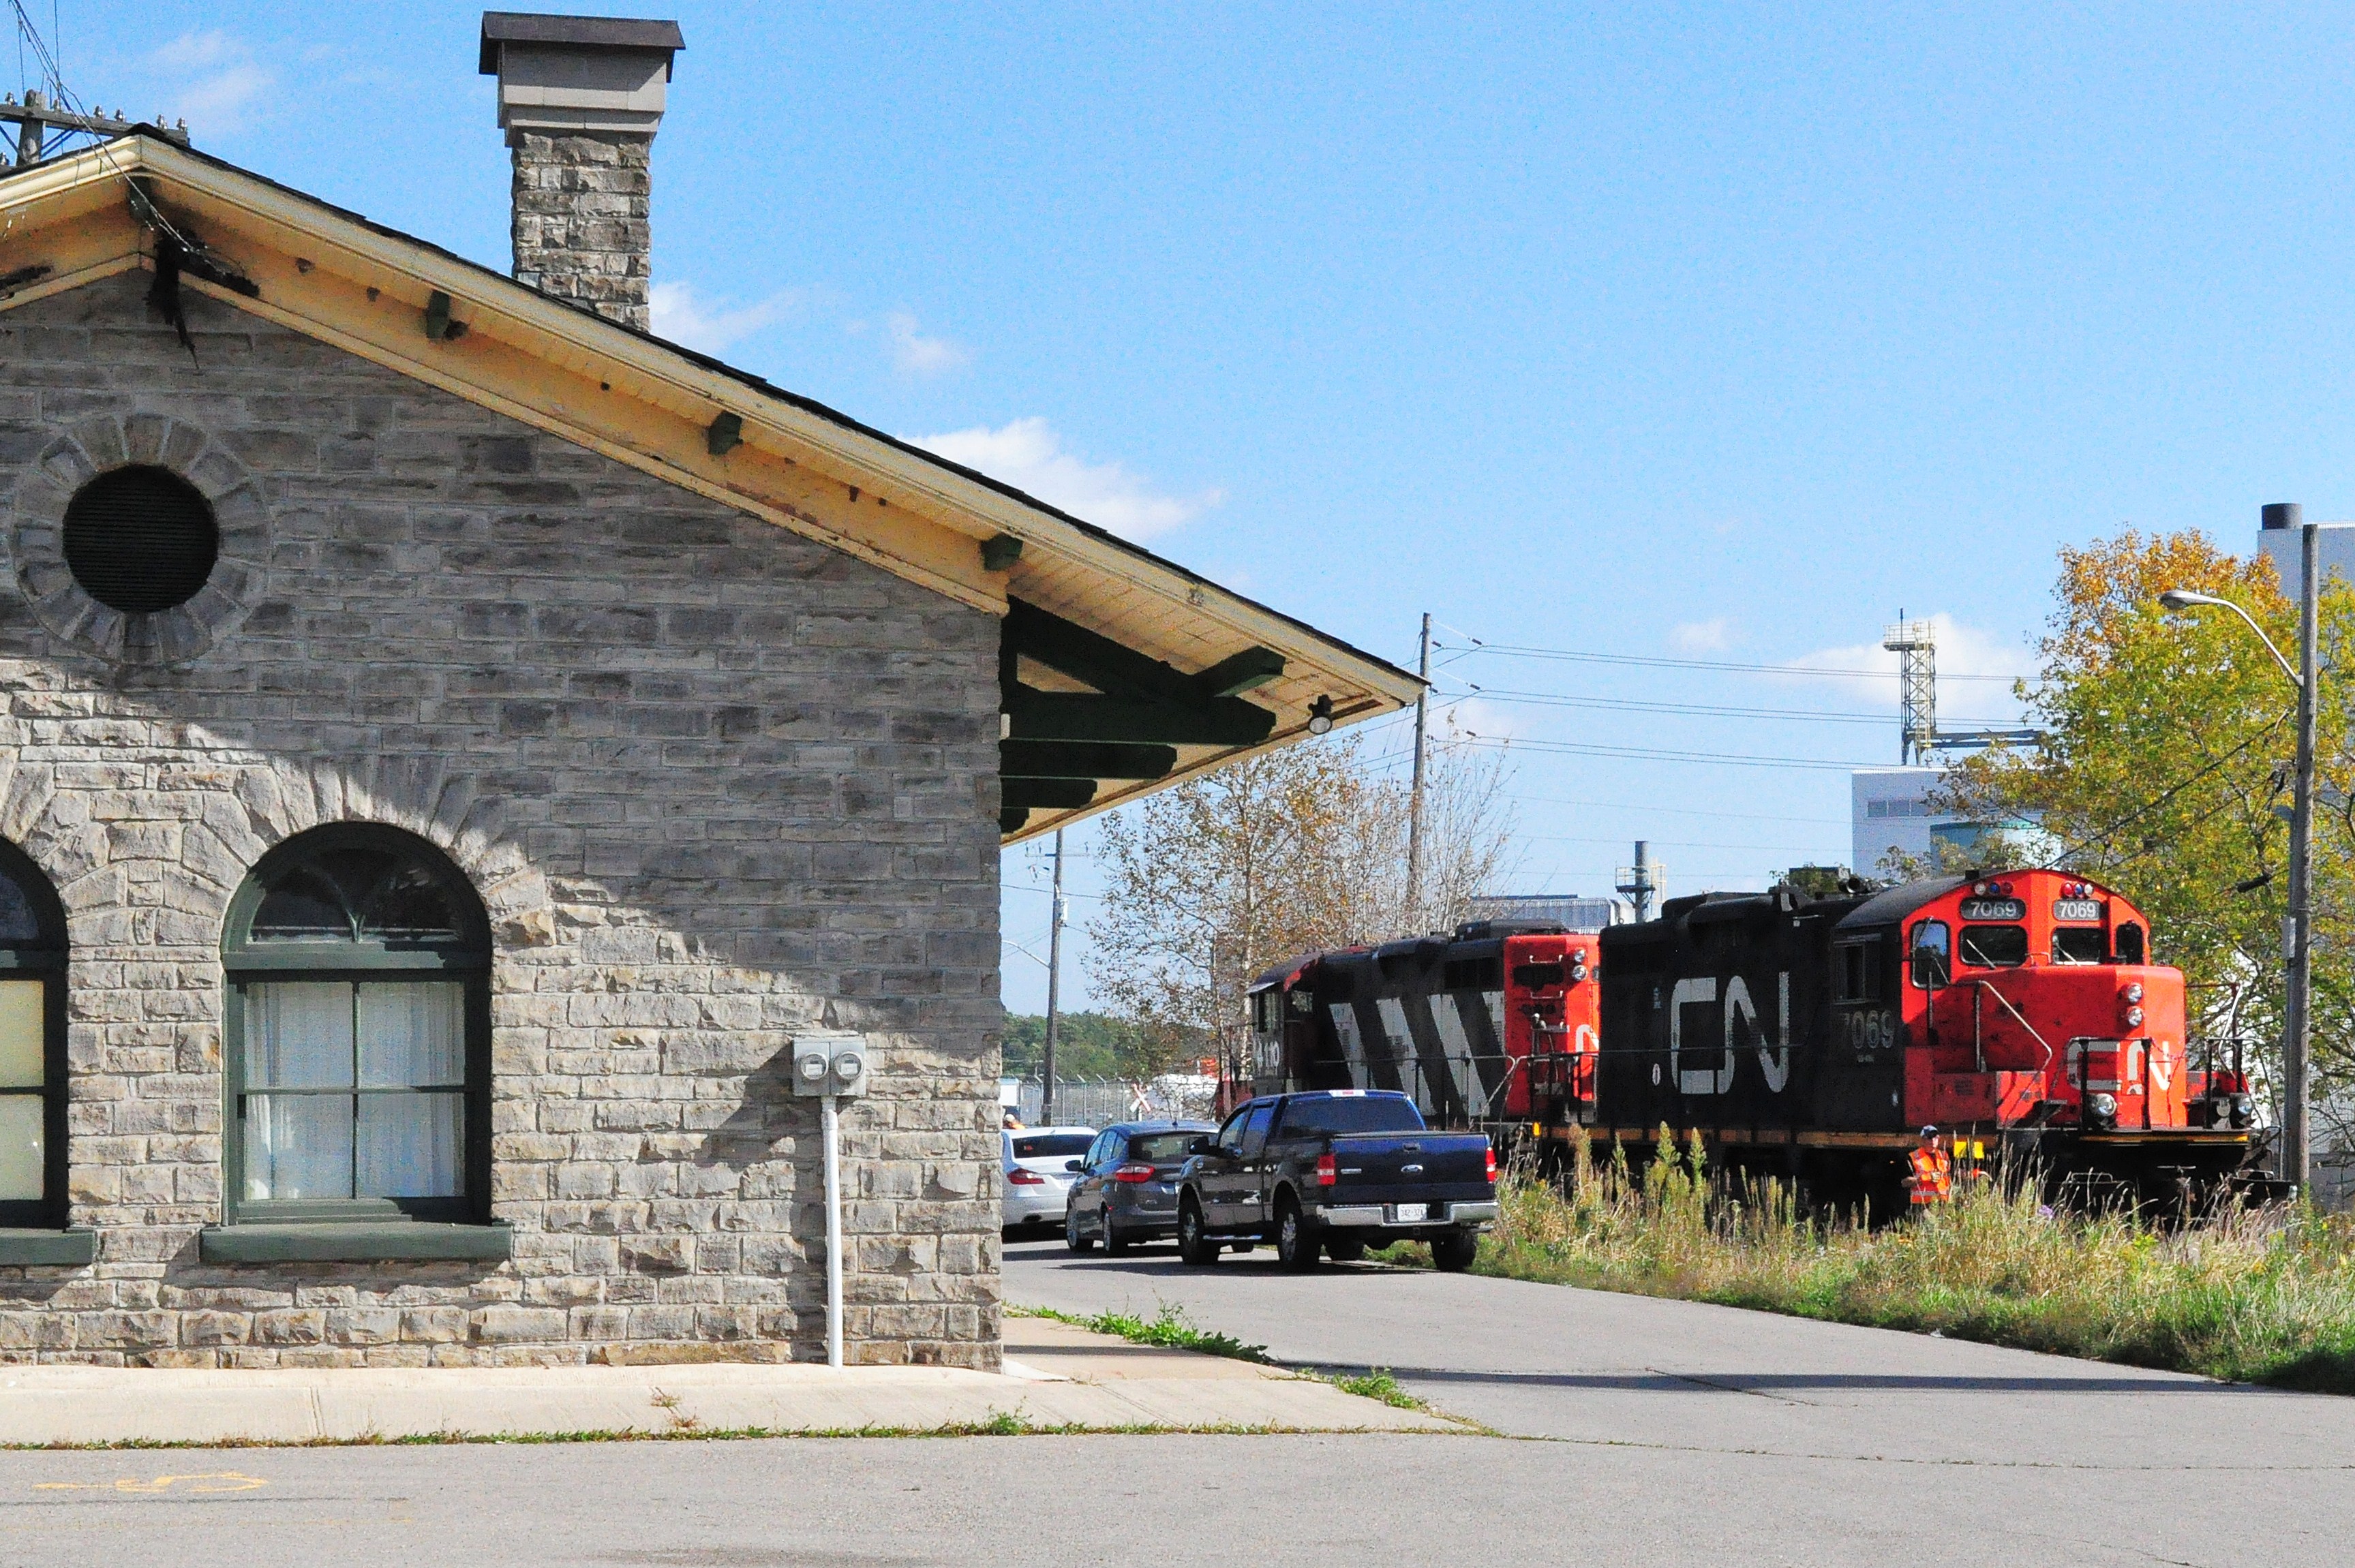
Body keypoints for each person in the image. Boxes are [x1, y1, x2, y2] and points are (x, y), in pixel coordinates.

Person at [1904, 1125, 1953, 1206]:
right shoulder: (1913, 1157)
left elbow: (1951, 1175)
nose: (1933, 1140)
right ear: (1923, 1140)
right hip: (1922, 1204)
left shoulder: (1944, 1156)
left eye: (1935, 1137)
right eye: (1930, 1137)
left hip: (1943, 1203)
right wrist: (1926, 1178)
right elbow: (1904, 1182)